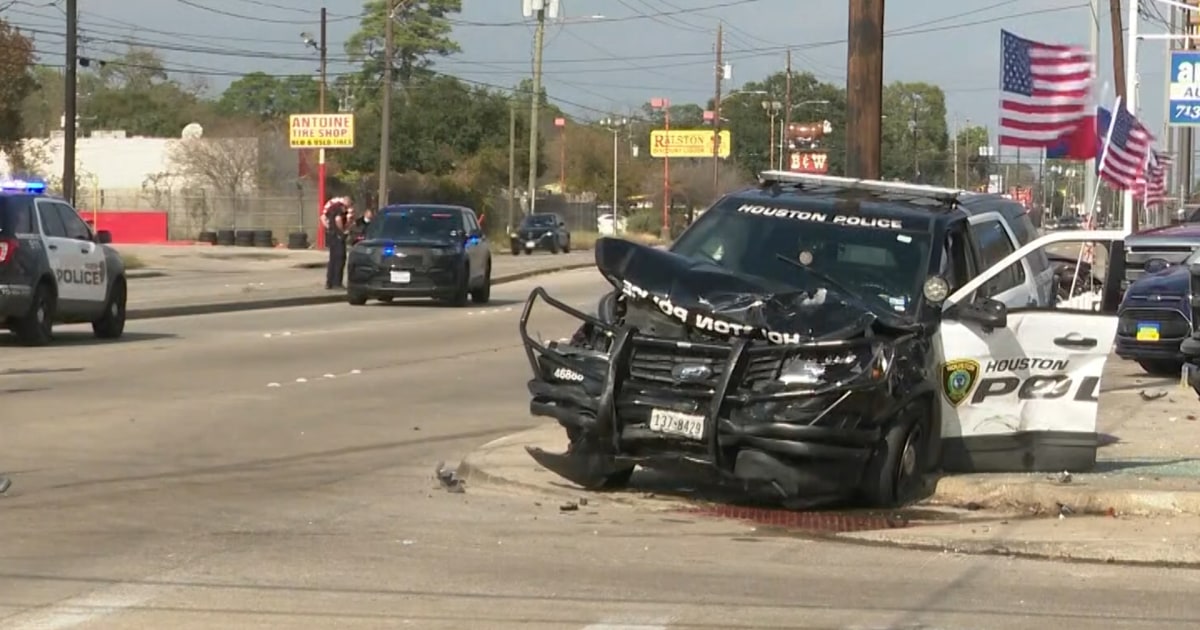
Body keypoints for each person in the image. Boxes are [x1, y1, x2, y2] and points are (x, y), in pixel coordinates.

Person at [322, 196, 351, 289]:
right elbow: (338, 219)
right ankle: (337, 283)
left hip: (331, 236)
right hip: (338, 237)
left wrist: (330, 228)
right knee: (340, 259)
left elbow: (323, 218)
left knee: (332, 259)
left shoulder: (333, 207)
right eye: (349, 204)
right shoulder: (340, 208)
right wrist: (342, 231)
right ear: (347, 202)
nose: (349, 206)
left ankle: (329, 282)